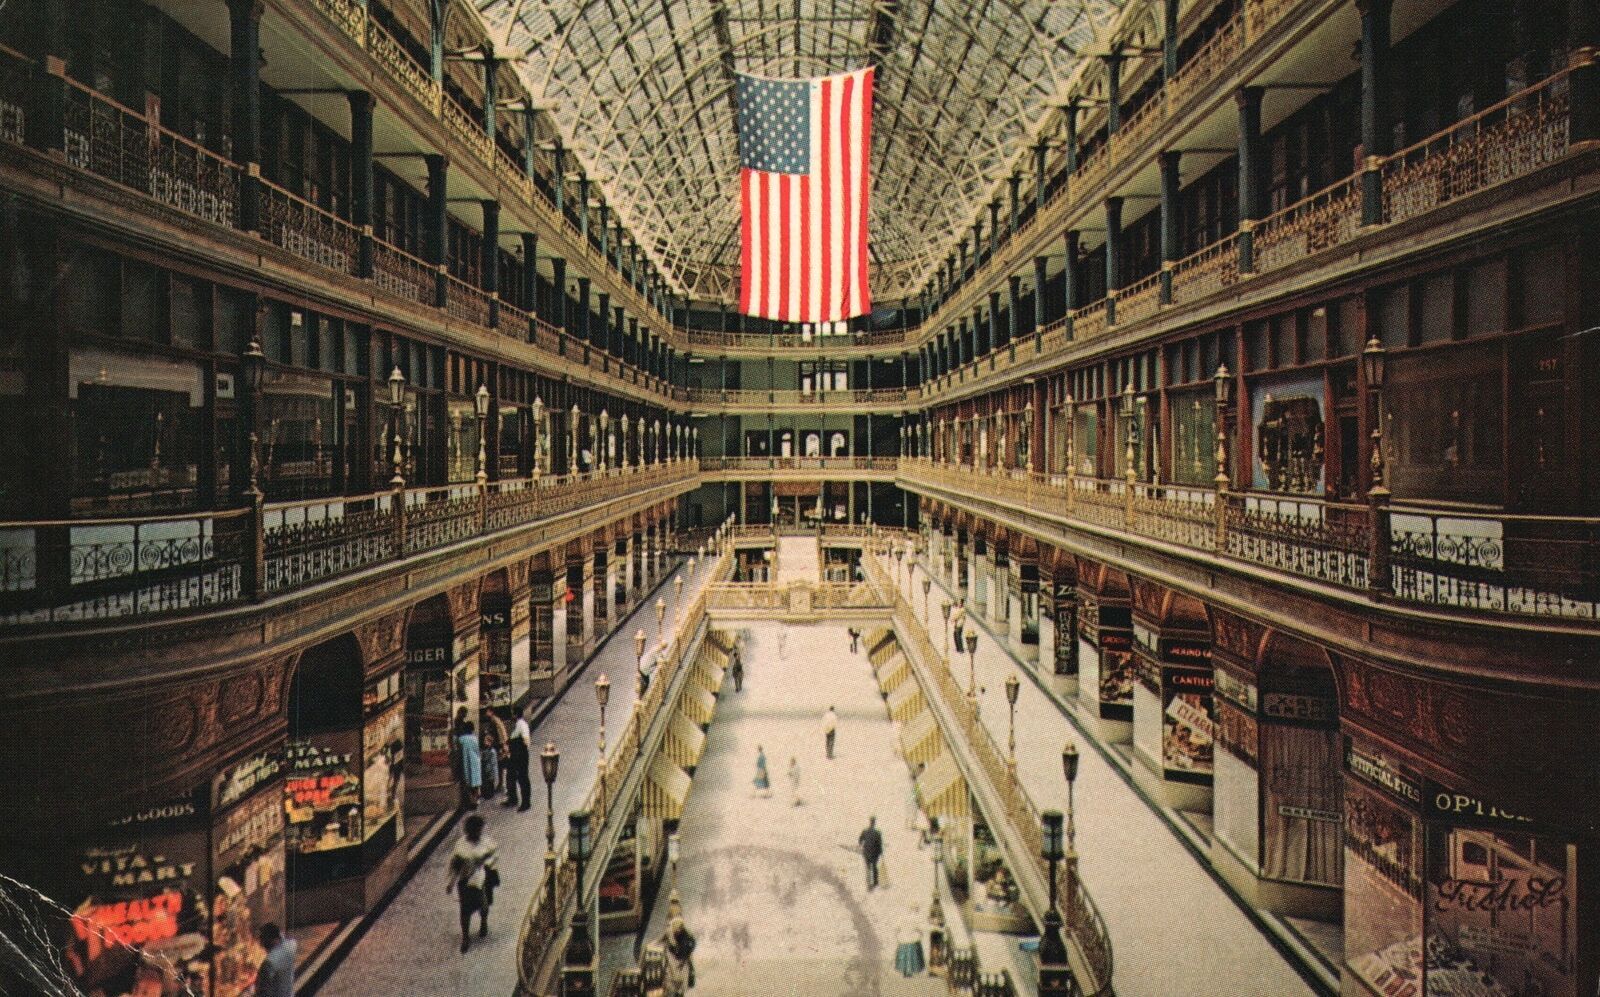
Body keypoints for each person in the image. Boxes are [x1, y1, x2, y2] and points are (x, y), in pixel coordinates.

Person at [446, 813, 499, 953]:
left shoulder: (486, 842)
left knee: (484, 904)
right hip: (466, 881)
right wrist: (451, 882)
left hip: (483, 879)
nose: (479, 833)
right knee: (465, 910)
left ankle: (483, 921)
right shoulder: (461, 846)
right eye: (477, 830)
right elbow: (454, 865)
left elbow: (493, 855)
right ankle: (465, 937)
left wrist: (488, 862)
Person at [254, 923, 297, 997]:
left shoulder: (269, 962)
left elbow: (262, 991)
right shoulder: (291, 945)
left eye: (263, 941)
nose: (262, 945)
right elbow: (284, 937)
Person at [659, 916, 697, 996]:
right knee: (672, 974)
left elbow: (689, 946)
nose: (677, 931)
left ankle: (689, 979)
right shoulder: (670, 932)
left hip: (683, 956)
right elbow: (661, 940)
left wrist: (687, 953)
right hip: (675, 956)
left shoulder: (686, 935)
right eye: (676, 930)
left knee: (688, 968)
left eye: (679, 929)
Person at [504, 707, 532, 811]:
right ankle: (512, 798)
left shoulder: (522, 725)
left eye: (512, 714)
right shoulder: (517, 725)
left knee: (522, 778)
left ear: (516, 715)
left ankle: (526, 802)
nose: (511, 716)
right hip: (515, 755)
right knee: (510, 776)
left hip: (520, 755)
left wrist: (519, 748)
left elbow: (526, 741)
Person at [457, 721, 482, 809]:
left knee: (468, 781)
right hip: (475, 761)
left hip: (466, 761)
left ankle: (471, 801)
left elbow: (459, 751)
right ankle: (476, 799)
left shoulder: (461, 739)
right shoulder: (475, 738)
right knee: (476, 781)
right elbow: (478, 750)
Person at [858, 816, 884, 890]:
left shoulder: (865, 831)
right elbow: (879, 844)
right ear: (874, 823)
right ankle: (875, 882)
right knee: (875, 867)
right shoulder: (877, 833)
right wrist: (881, 852)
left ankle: (869, 882)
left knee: (868, 867)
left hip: (866, 852)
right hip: (875, 853)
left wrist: (863, 846)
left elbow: (860, 840)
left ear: (870, 822)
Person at [480, 731, 500, 801]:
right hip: (490, 769)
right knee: (489, 782)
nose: (484, 742)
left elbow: (487, 759)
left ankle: (488, 794)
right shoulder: (490, 750)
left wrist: (482, 755)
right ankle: (489, 794)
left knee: (489, 782)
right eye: (484, 740)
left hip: (489, 769)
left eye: (486, 741)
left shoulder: (490, 751)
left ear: (490, 742)